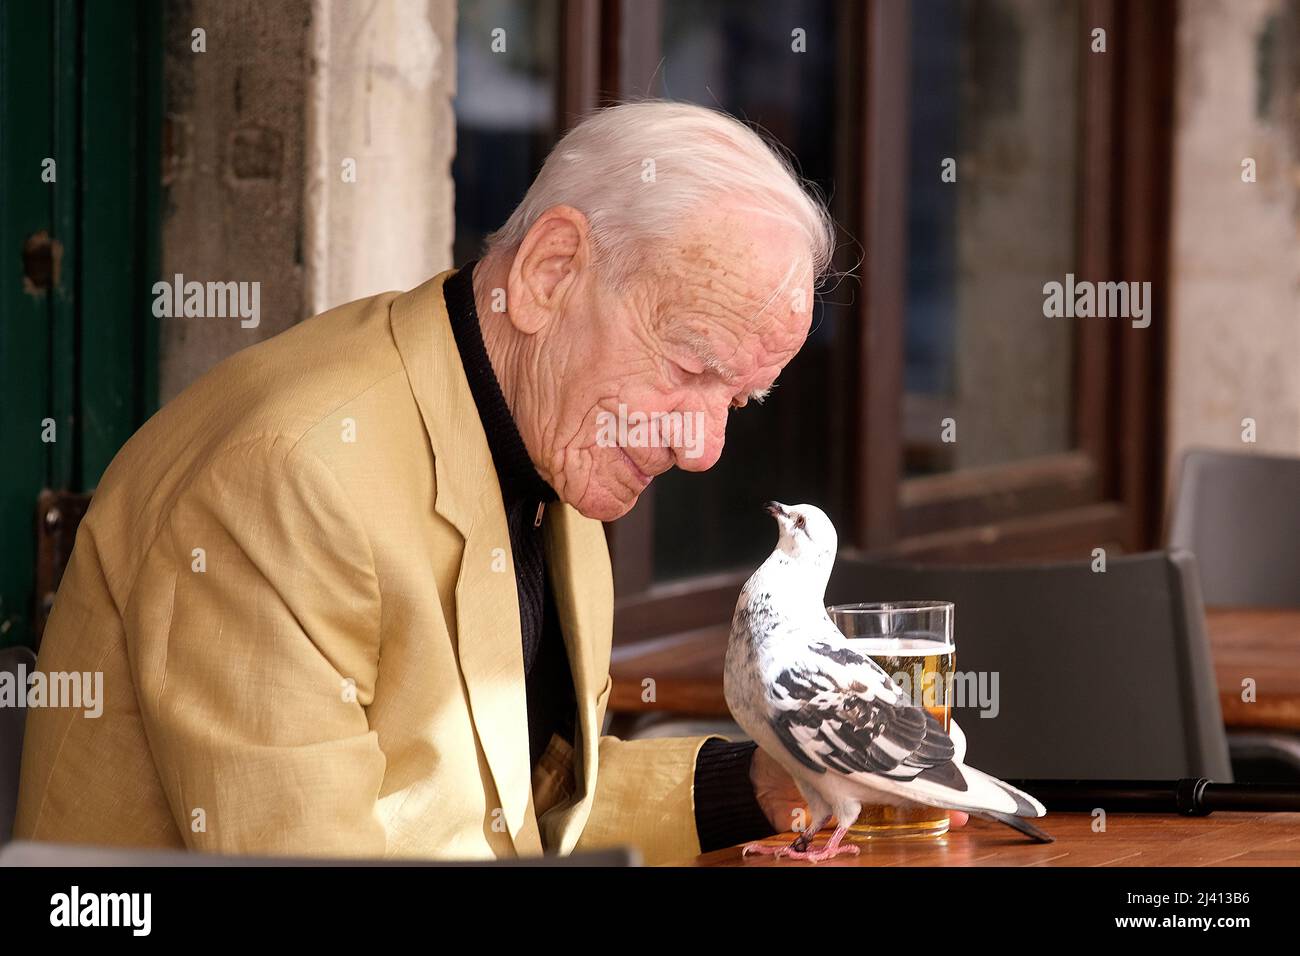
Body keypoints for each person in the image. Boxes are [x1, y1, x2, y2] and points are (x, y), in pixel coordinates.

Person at [18, 101, 935, 866]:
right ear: (550, 273)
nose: (702, 447)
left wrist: (757, 787)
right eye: (691, 366)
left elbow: (501, 811)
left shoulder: (548, 432)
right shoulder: (290, 476)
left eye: (738, 397)